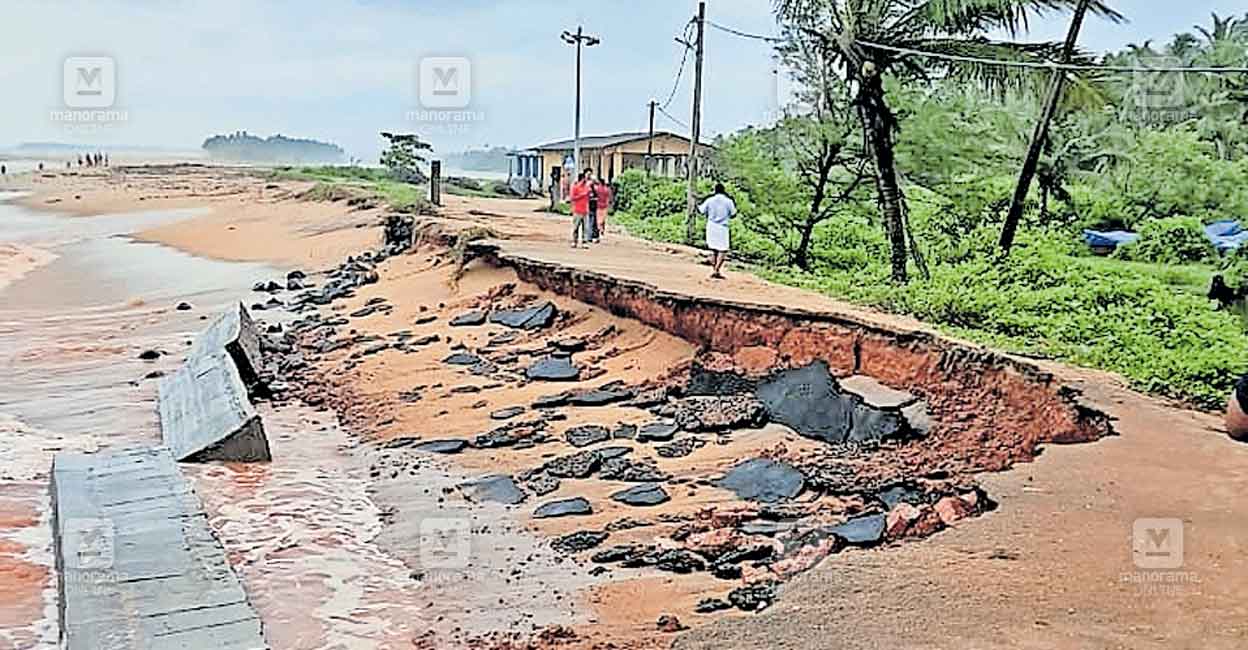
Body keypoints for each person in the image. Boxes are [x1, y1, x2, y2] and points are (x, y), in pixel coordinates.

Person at [698, 183, 737, 279]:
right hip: (723, 227)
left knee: (713, 248)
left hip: (711, 226)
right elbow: (733, 214)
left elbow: (701, 210)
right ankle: (717, 269)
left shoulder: (710, 200)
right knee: (723, 249)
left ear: (715, 190)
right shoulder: (728, 201)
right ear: (724, 190)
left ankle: (714, 269)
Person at [569, 169, 593, 249]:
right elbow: (572, 198)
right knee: (576, 227)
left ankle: (584, 242)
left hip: (585, 210)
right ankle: (574, 241)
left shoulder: (588, 187)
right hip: (577, 210)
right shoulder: (575, 187)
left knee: (585, 228)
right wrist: (582, 195)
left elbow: (590, 196)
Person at [585, 170, 600, 243]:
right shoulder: (591, 185)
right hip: (591, 203)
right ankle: (592, 236)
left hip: (592, 203)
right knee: (592, 219)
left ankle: (591, 236)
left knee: (592, 219)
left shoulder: (589, 184)